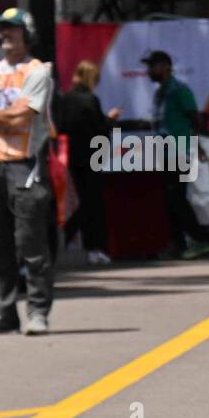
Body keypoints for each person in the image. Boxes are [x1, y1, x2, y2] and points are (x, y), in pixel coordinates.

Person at [0, 8, 56, 337]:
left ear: (27, 35)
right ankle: (4, 312)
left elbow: (24, 119)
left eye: (13, 30)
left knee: (31, 243)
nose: (5, 34)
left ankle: (37, 311)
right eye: (3, 29)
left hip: (25, 164)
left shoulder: (38, 71)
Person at [143, 51, 209, 261]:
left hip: (178, 150)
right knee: (170, 200)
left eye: (152, 66)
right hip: (163, 151)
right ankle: (179, 244)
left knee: (177, 199)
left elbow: (194, 118)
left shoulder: (179, 90)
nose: (148, 71)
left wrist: (196, 144)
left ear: (165, 66)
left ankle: (199, 240)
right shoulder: (160, 93)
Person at [58, 60, 118, 265]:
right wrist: (111, 119)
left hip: (74, 156)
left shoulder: (66, 100)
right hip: (93, 156)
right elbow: (100, 128)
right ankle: (79, 241)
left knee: (86, 201)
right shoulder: (90, 100)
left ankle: (75, 241)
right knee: (93, 203)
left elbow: (60, 126)